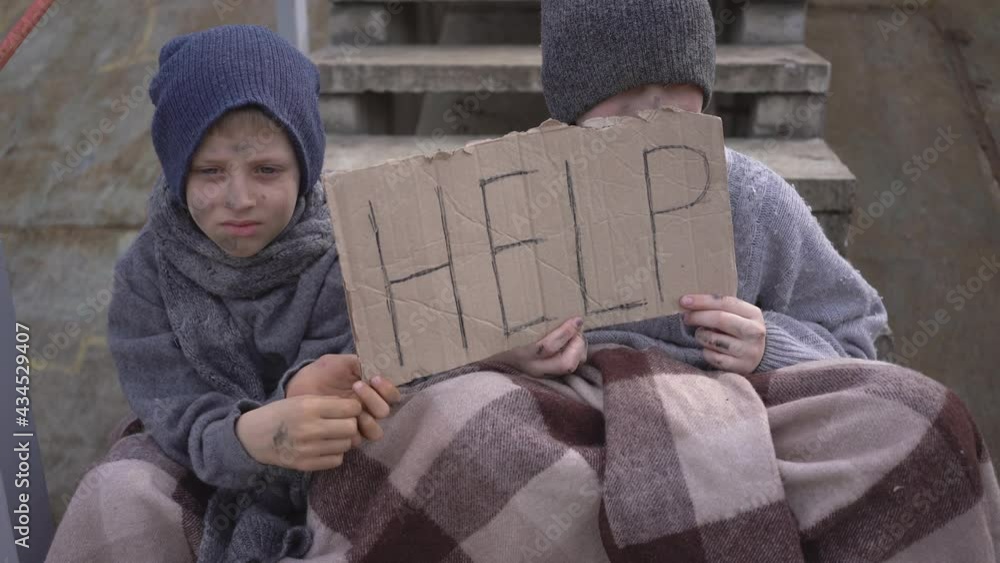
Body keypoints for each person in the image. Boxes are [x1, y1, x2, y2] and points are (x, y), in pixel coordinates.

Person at [46, 25, 586, 563]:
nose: (239, 197)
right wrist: (246, 435)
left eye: (267, 170)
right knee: (114, 493)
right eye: (209, 171)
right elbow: (170, 405)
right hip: (202, 458)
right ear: (174, 169)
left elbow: (407, 352)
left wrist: (499, 345)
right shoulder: (147, 274)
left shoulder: (354, 246)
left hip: (340, 454)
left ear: (304, 170)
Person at [540, 0, 889, 374]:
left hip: (723, 401)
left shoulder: (752, 200)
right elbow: (469, 338)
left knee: (919, 406)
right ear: (571, 108)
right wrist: (509, 355)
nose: (652, 111)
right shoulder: (528, 200)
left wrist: (770, 346)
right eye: (624, 97)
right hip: (567, 403)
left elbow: (861, 338)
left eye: (676, 86)